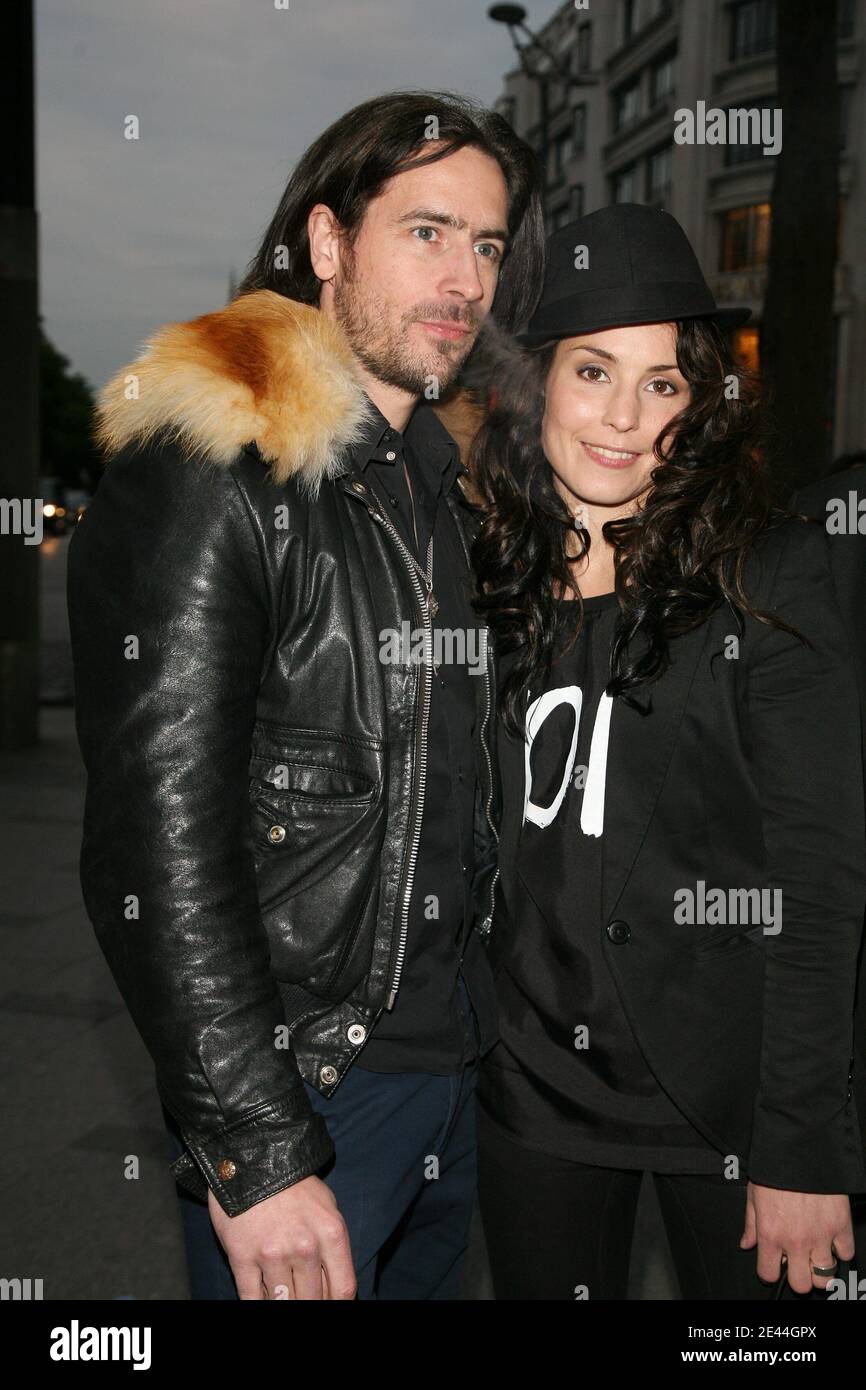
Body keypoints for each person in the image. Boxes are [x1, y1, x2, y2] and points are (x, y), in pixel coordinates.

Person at [66, 90, 543, 1300]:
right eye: (425, 232)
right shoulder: (214, 461)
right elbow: (151, 847)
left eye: (485, 244)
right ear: (328, 245)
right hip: (313, 1092)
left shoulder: (438, 486)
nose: (465, 277)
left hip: (451, 1081)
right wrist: (256, 1151)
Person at [466, 204, 866, 1300]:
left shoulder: (769, 579)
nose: (624, 418)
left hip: (727, 1106)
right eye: (592, 372)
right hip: (532, 1097)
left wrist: (799, 1145)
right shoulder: (478, 578)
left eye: (661, 382)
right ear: (534, 379)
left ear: (695, 402)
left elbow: (817, 881)